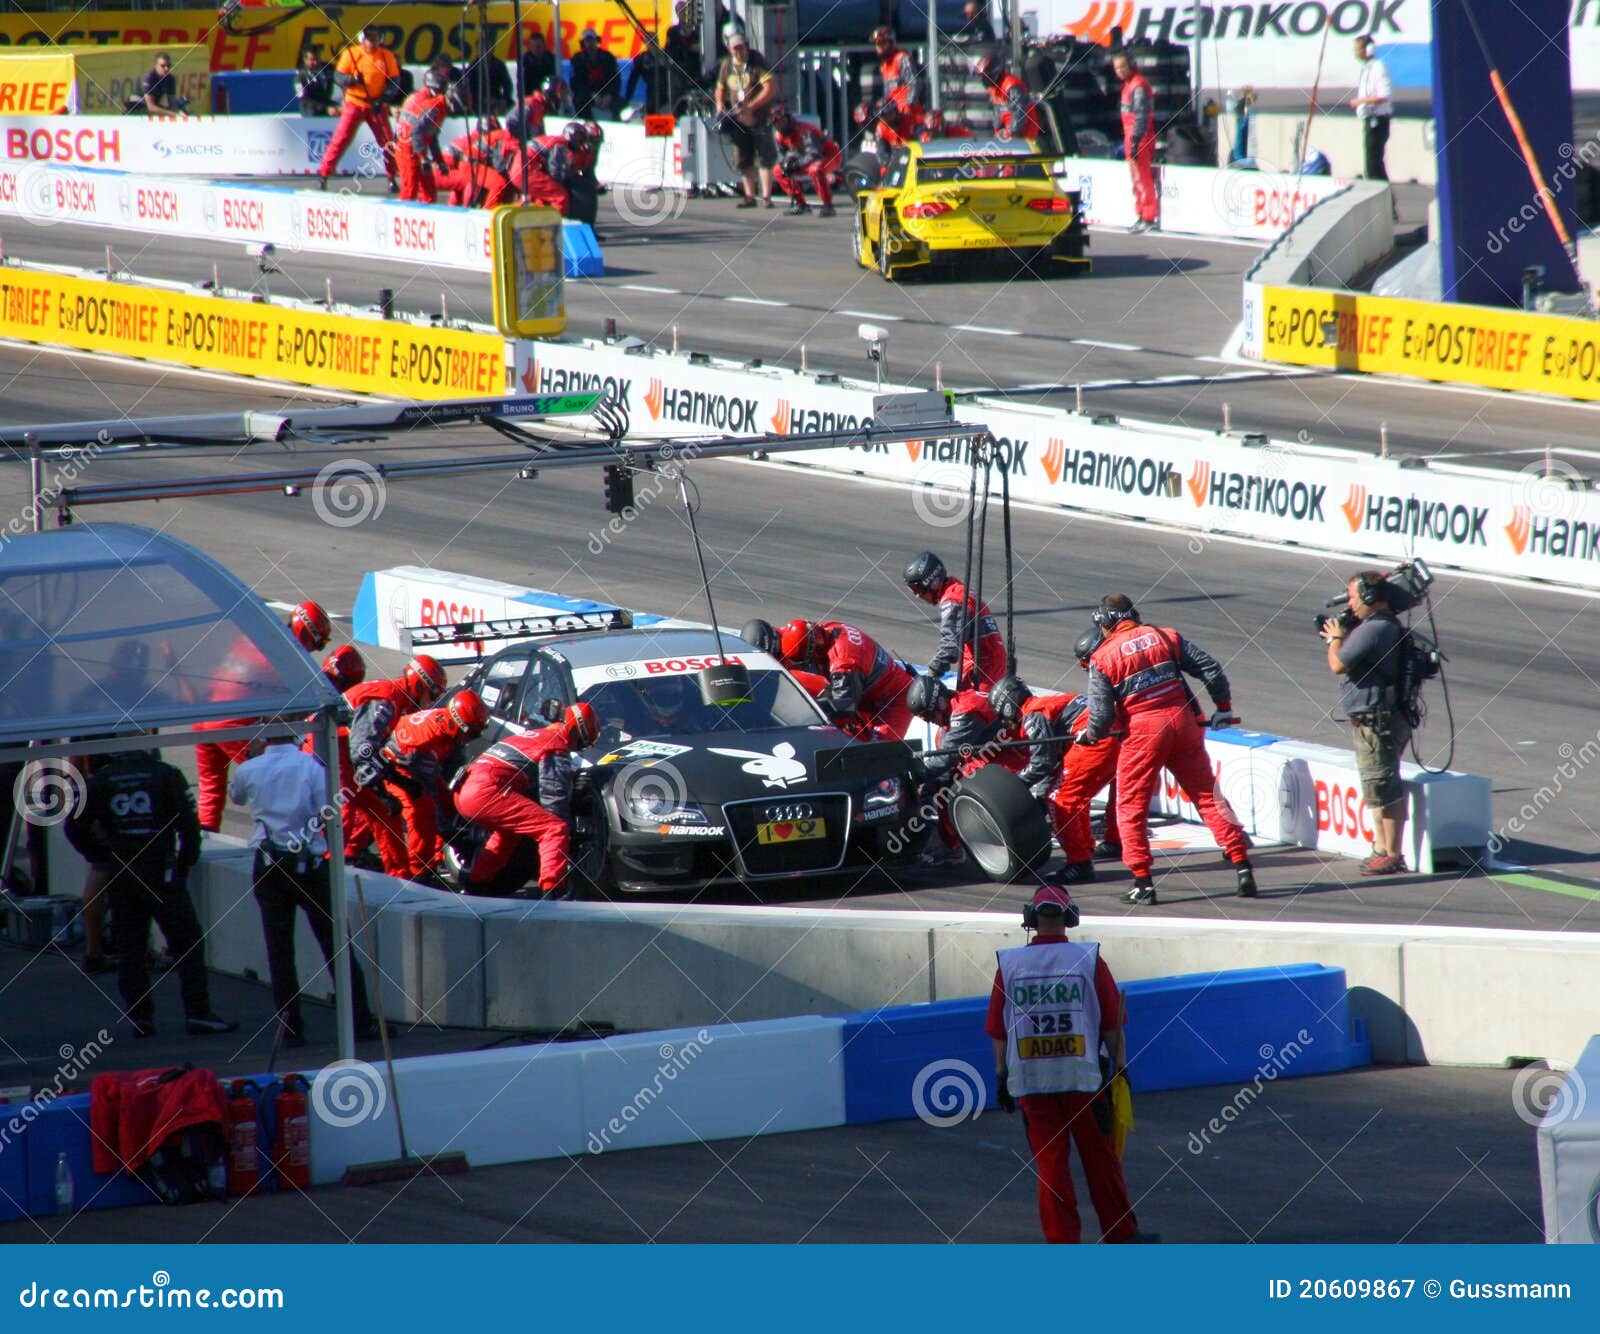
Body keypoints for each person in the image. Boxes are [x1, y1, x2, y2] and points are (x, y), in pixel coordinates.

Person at [986, 884, 1154, 1244]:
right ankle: (1121, 1235)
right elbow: (1112, 1024)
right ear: (1070, 918)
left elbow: (997, 1030)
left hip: (1032, 1082)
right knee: (1101, 1163)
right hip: (1084, 1079)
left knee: (1051, 1168)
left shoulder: (1010, 964)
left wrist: (1001, 1076)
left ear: (1030, 919)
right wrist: (1121, 1071)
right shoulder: (1089, 959)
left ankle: (1063, 1244)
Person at [1079, 595, 1255, 906]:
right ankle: (1241, 864)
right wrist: (1224, 707)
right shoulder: (1165, 635)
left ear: (1107, 622)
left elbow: (1102, 716)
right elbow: (1210, 669)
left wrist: (1090, 736)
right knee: (1207, 794)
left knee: (1130, 806)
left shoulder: (1102, 657)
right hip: (1184, 721)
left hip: (1144, 732)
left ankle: (1143, 883)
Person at [65, 747, 235, 1038]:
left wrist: (102, 855)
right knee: (188, 941)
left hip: (122, 869)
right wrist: (184, 864)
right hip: (160, 869)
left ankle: (140, 1016)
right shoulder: (166, 775)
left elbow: (74, 827)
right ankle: (198, 1012)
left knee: (131, 944)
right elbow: (189, 826)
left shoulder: (101, 780)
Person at [229, 735, 377, 1047]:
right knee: (336, 942)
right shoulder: (311, 766)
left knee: (279, 949)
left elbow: (237, 797)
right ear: (296, 737)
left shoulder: (250, 768)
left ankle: (289, 1028)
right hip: (309, 865)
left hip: (268, 865)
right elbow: (331, 809)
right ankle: (360, 1021)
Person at [194, 600, 330, 832]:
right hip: (232, 723)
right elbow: (307, 701)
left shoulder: (259, 637)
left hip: (205, 712)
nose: (315, 651)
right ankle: (281, 841)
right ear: (309, 635)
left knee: (210, 787)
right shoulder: (289, 658)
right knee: (274, 782)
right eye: (317, 644)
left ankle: (205, 840)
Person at [990, 644, 1117, 887]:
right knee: (1074, 795)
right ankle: (1086, 849)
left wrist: (1017, 783)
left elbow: (1043, 761)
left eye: (1003, 716)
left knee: (1059, 800)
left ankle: (1079, 864)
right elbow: (1051, 763)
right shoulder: (1045, 704)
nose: (1005, 722)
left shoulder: (1032, 715)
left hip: (1095, 741)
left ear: (1008, 705)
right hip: (1110, 736)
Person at [454, 702, 601, 897]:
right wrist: (567, 832)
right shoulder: (557, 743)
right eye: (582, 743)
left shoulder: (534, 735)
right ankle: (553, 888)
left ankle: (476, 884)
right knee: (554, 828)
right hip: (485, 791)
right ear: (578, 732)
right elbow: (554, 797)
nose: (577, 748)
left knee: (507, 833)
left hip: (464, 789)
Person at [1322, 571, 1409, 875]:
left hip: (1377, 721)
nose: (1350, 604)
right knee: (1376, 786)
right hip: (1375, 719)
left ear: (1371, 598)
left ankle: (1394, 853)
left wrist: (1335, 639)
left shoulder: (1374, 629)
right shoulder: (1376, 626)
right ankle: (1382, 846)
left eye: (1353, 597)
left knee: (1385, 785)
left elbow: (1337, 663)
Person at [343, 655, 447, 878]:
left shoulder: (395, 698)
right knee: (350, 811)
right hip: (329, 749)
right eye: (433, 693)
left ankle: (386, 870)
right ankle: (333, 866)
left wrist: (400, 782)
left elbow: (375, 754)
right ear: (420, 684)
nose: (432, 701)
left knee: (379, 813)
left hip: (337, 749)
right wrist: (382, 793)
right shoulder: (388, 700)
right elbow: (362, 750)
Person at [906, 673, 1022, 866]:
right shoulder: (951, 717)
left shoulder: (964, 713)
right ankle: (954, 839)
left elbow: (947, 757)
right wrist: (932, 783)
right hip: (995, 754)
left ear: (940, 703)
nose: (928, 721)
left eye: (927, 714)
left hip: (1013, 752)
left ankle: (952, 847)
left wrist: (915, 777)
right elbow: (949, 761)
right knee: (941, 785)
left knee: (952, 790)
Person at [378, 691, 490, 882]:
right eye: (472, 732)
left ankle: (433, 858)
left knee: (449, 802)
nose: (473, 738)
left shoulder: (452, 730)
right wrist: (451, 834)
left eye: (478, 733)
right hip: (395, 768)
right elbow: (428, 790)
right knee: (422, 813)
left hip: (417, 767)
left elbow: (452, 769)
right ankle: (417, 871)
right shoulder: (427, 740)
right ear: (460, 725)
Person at [775, 619, 915, 740]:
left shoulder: (844, 662)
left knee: (877, 752)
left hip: (895, 700)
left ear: (815, 648)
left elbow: (843, 706)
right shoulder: (827, 627)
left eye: (807, 660)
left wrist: (804, 714)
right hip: (866, 690)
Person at [903, 551, 1007, 689]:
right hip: (989, 666)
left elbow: (951, 643)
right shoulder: (959, 590)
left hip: (985, 671)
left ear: (932, 581)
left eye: (917, 588)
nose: (916, 595)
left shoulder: (953, 600)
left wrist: (932, 672)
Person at [316, 26, 402, 191]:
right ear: (362, 39)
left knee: (386, 142)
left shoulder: (386, 56)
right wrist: (353, 79)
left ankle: (392, 177)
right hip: (354, 102)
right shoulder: (351, 54)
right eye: (369, 39)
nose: (373, 42)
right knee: (340, 139)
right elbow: (339, 77)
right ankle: (324, 173)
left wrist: (382, 99)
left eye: (376, 39)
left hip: (376, 104)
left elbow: (394, 82)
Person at [715, 28, 777, 209]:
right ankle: (749, 196)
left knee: (764, 157)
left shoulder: (756, 61)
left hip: (758, 117)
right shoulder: (727, 65)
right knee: (743, 157)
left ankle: (766, 197)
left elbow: (769, 88)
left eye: (741, 48)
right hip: (738, 119)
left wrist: (751, 106)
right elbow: (720, 88)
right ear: (730, 50)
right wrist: (720, 105)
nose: (739, 52)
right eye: (735, 49)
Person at [1113, 52, 1158, 233]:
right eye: (1116, 68)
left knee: (1142, 178)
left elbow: (1141, 116)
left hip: (1139, 138)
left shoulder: (1137, 85)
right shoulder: (1128, 85)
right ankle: (1141, 214)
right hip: (1131, 136)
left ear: (1131, 65)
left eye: (1122, 66)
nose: (1119, 71)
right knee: (1136, 179)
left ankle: (1148, 217)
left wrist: (1136, 140)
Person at [771, 104, 840, 217]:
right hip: (804, 160)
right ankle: (800, 204)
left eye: (782, 121)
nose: (780, 125)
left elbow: (814, 153)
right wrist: (787, 164)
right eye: (776, 123)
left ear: (788, 119)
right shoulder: (779, 136)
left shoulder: (805, 131)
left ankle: (828, 205)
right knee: (778, 170)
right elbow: (782, 155)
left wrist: (797, 164)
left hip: (829, 156)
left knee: (815, 169)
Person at [395, 67, 451, 202]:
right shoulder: (431, 105)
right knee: (410, 189)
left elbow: (430, 134)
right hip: (407, 147)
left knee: (428, 191)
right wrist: (424, 158)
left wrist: (437, 159)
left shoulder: (417, 97)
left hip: (413, 145)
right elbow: (417, 132)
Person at [1350, 36, 1392, 188]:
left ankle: (1387, 203)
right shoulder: (1366, 68)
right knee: (1371, 165)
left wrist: (1360, 101)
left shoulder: (1378, 67)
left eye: (1358, 49)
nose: (1355, 52)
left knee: (1374, 166)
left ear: (1368, 50)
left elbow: (1383, 96)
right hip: (1369, 120)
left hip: (1378, 121)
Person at [975, 53, 1041, 142]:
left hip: (1024, 135)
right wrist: (999, 132)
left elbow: (1019, 113)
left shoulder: (1011, 85)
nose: (983, 80)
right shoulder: (994, 89)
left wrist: (1011, 133)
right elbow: (998, 114)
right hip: (1007, 135)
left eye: (985, 76)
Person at [871, 26, 923, 118]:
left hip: (910, 114)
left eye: (882, 43)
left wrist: (909, 106)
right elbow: (888, 94)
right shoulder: (884, 66)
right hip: (894, 114)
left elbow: (914, 84)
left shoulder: (902, 59)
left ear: (890, 42)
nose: (879, 47)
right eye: (877, 44)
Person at [570, 29, 621, 120]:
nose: (590, 44)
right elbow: (576, 83)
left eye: (592, 40)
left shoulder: (608, 57)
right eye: (587, 41)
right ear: (583, 43)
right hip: (587, 94)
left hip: (606, 93)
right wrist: (592, 94)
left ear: (597, 41)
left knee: (621, 104)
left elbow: (616, 79)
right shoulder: (577, 59)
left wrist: (609, 95)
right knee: (579, 102)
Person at [131, 53, 186, 118]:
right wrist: (174, 114)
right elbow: (151, 107)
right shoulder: (149, 78)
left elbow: (172, 104)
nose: (166, 68)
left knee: (184, 112)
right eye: (163, 66)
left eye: (168, 66)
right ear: (156, 66)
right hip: (136, 110)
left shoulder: (170, 79)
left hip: (151, 108)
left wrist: (179, 111)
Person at [297, 45, 338, 117]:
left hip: (328, 104)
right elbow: (304, 99)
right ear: (305, 60)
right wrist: (325, 108)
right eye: (312, 60)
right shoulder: (300, 77)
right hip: (311, 109)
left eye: (317, 59)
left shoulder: (328, 68)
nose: (315, 62)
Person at [521, 29, 558, 96]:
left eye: (538, 46)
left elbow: (554, 76)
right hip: (531, 93)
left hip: (548, 93)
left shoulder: (551, 58)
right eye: (533, 46)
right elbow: (524, 81)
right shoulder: (525, 60)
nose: (535, 49)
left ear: (544, 45)